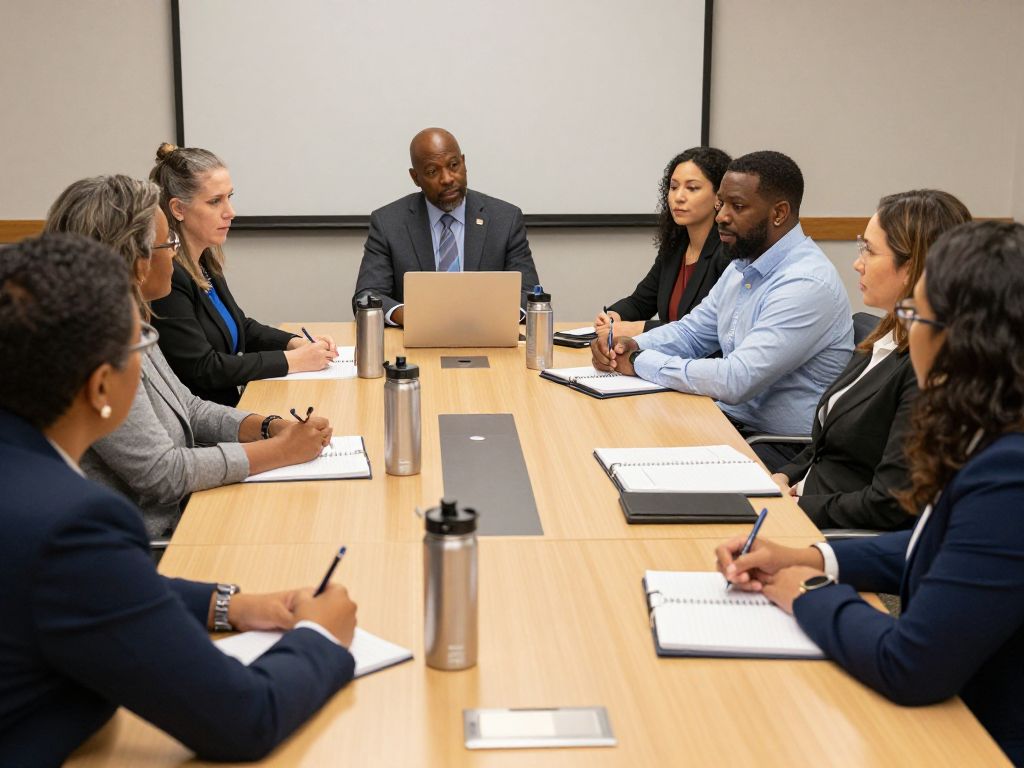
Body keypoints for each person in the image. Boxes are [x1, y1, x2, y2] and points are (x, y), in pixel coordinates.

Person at [0, 233, 359, 765]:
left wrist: (226, 605)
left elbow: (89, 588)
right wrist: (320, 638)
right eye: (142, 345)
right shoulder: (70, 526)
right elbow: (242, 719)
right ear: (102, 388)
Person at [715, 221, 1024, 765]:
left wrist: (805, 589)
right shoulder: (991, 434)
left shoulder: (1009, 472)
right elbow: (933, 545)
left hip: (980, 740)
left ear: (963, 336)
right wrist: (808, 555)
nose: (907, 332)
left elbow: (911, 664)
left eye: (914, 315)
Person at [45, 175, 334, 540]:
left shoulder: (132, 325)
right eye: (170, 242)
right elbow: (161, 475)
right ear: (137, 262)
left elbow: (191, 408)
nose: (175, 253)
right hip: (154, 540)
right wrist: (279, 451)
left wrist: (268, 426)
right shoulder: (94, 350)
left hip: (187, 511)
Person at [592, 150, 854, 471]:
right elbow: (691, 333)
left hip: (780, 448)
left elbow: (735, 379)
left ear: (779, 213)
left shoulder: (805, 283)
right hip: (731, 423)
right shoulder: (743, 264)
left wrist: (638, 360)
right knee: (614, 440)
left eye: (737, 207)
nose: (721, 216)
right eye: (721, 204)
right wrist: (625, 347)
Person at [772, 190, 971, 530]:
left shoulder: (927, 368)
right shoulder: (885, 333)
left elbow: (889, 503)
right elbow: (825, 445)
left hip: (832, 530)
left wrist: (797, 508)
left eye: (870, 250)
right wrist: (781, 476)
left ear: (912, 268)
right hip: (800, 506)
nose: (857, 262)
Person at [149, 143, 336, 406]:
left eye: (229, 197)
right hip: (204, 426)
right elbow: (204, 368)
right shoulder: (168, 277)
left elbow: (239, 327)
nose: (230, 212)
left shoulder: (205, 260)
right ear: (178, 209)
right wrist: (290, 361)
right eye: (215, 201)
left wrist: (293, 344)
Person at [352, 127, 540, 326]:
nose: (447, 179)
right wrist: (410, 315)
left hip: (489, 339)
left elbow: (530, 295)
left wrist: (491, 315)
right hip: (416, 342)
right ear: (415, 178)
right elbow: (367, 296)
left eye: (453, 165)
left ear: (464, 163)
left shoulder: (505, 219)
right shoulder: (389, 223)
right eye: (433, 171)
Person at [594, 147, 732, 336]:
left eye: (692, 188)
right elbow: (640, 302)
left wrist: (639, 328)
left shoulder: (729, 253)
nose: (679, 197)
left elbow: (709, 329)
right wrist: (614, 315)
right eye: (674, 187)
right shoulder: (675, 247)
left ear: (719, 196)